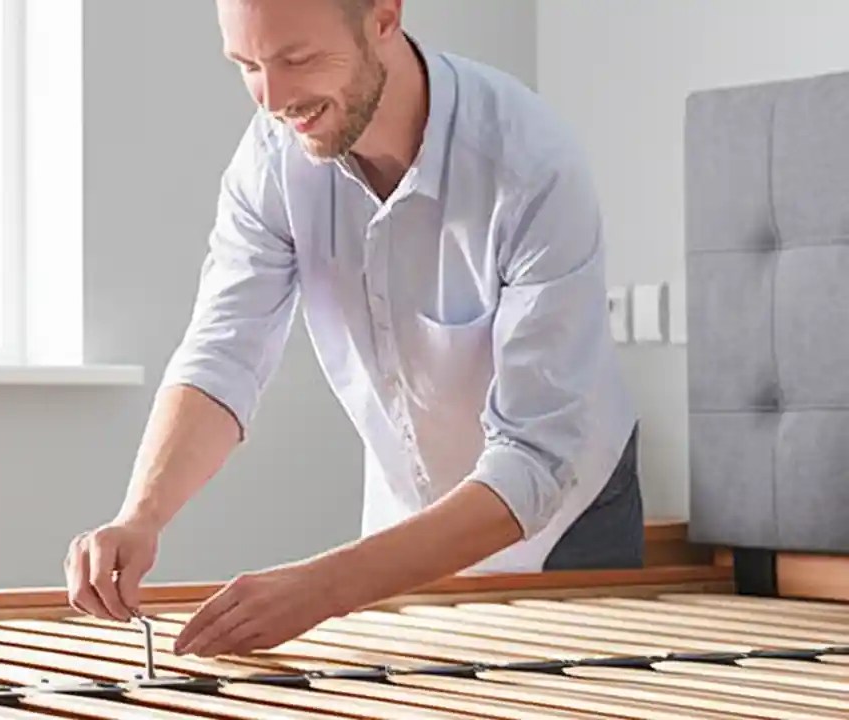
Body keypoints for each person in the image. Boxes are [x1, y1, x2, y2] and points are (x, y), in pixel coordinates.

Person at [63, 0, 640, 659]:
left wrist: (324, 587)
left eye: (298, 59)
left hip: (568, 521)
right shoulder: (271, 159)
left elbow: (537, 460)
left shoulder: (533, 165)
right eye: (247, 65)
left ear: (384, 16)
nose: (274, 99)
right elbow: (224, 352)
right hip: (399, 528)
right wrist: (142, 515)